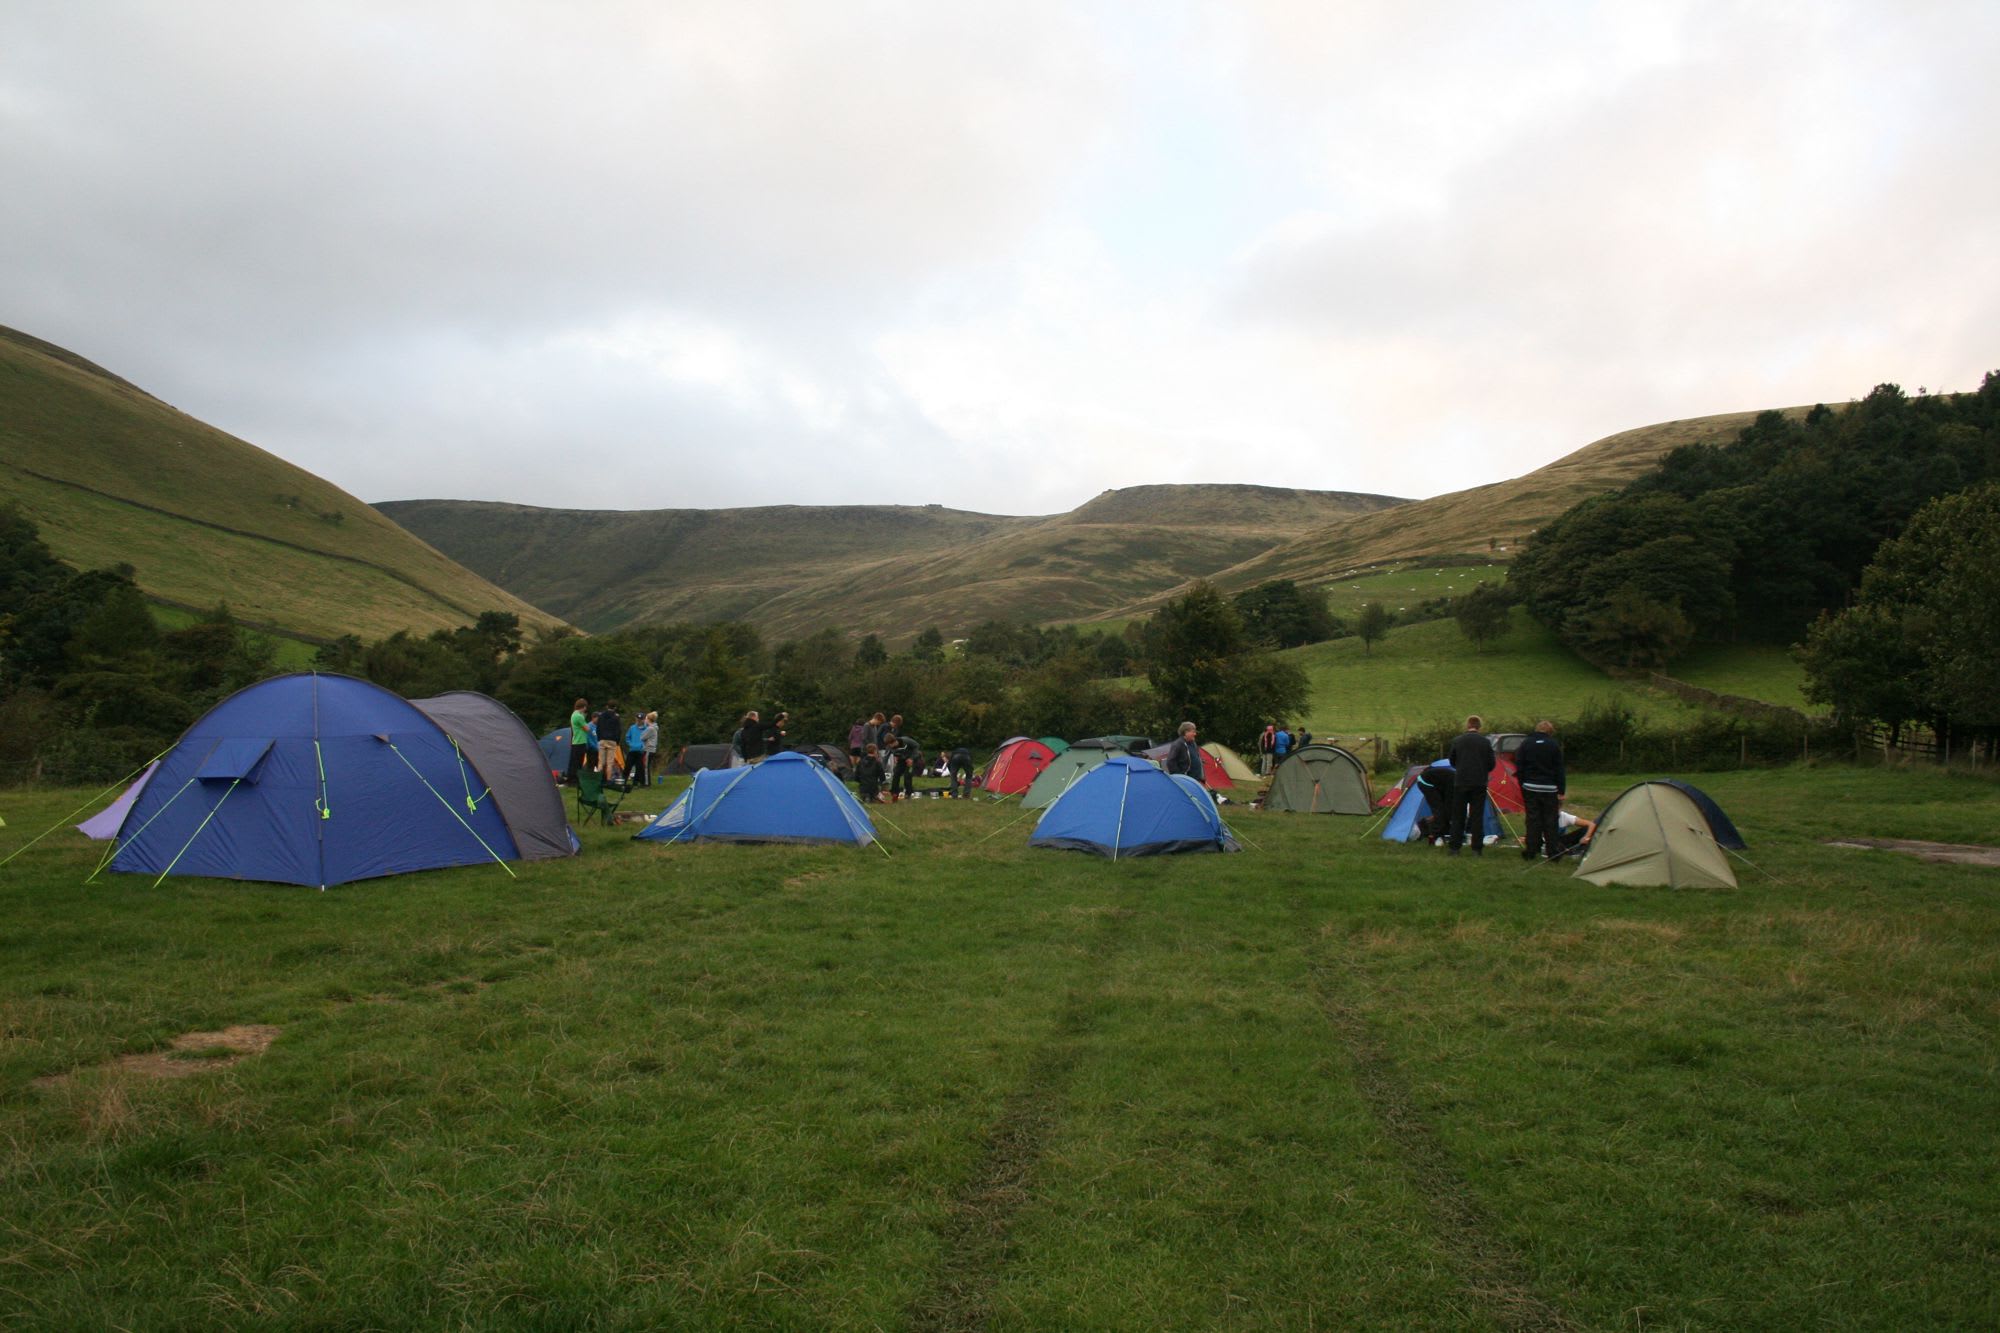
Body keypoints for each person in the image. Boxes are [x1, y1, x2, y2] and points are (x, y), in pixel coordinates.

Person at [1515, 720, 1567, 862]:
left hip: (1530, 787)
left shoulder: (1526, 743)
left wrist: (1522, 783)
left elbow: (1519, 765)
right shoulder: (1554, 745)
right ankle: (1552, 852)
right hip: (1549, 788)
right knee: (1550, 820)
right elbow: (1559, 769)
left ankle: (1531, 849)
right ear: (1550, 731)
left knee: (1532, 819)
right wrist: (1561, 789)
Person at [1445, 715, 1496, 856]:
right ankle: (1476, 849)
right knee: (1477, 816)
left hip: (1461, 782)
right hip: (1479, 782)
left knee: (1458, 816)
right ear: (1479, 726)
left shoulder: (1457, 741)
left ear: (1467, 725)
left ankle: (1455, 848)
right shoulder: (1485, 742)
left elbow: (1452, 761)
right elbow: (1492, 764)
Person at [1413, 760, 1454, 843]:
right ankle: (1434, 836)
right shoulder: (1454, 783)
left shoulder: (1455, 781)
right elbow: (1448, 802)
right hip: (1425, 783)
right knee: (1439, 810)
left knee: (1443, 810)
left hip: (1435, 783)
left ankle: (1442, 832)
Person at [595, 701, 624, 783]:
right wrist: (617, 741)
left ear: (607, 706)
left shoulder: (601, 716)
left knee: (601, 761)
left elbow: (598, 728)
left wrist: (599, 739)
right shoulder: (616, 717)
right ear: (615, 708)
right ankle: (608, 779)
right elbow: (618, 730)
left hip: (602, 740)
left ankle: (599, 779)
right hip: (612, 740)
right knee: (610, 762)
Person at [566, 697, 589, 785]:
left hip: (575, 741)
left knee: (574, 762)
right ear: (583, 707)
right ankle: (574, 780)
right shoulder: (579, 716)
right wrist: (584, 718)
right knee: (578, 763)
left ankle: (571, 779)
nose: (585, 709)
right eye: (585, 707)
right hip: (580, 741)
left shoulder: (573, 714)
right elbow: (587, 729)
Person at [890, 734, 920, 801]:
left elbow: (917, 746)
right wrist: (896, 756)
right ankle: (894, 793)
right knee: (896, 774)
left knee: (907, 776)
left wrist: (912, 758)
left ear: (894, 742)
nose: (890, 746)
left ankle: (908, 794)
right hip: (901, 760)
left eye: (890, 745)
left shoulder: (906, 740)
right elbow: (894, 752)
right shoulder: (891, 745)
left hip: (910, 760)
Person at [641, 712, 660, 786]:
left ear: (649, 719)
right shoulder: (653, 727)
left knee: (645, 767)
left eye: (646, 718)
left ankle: (646, 783)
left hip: (648, 749)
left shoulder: (650, 728)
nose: (645, 720)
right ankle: (647, 782)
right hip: (651, 749)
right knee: (646, 766)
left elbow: (642, 737)